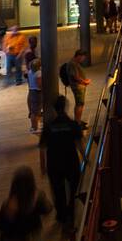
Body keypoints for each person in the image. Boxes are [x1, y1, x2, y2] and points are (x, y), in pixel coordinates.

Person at [40, 96, 82, 227]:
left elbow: (42, 147)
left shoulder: (49, 127)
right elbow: (79, 144)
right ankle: (72, 211)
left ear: (55, 109)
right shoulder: (73, 125)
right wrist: (86, 158)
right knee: (74, 187)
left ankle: (62, 214)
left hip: (54, 162)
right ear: (65, 107)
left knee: (58, 190)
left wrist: (43, 166)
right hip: (71, 161)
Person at [62, 48, 91, 125]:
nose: (83, 60)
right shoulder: (72, 64)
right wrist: (84, 81)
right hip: (78, 87)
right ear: (79, 56)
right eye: (83, 58)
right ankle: (77, 122)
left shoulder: (74, 63)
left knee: (80, 104)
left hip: (79, 86)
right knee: (79, 104)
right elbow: (75, 76)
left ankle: (78, 120)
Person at [26, 58, 43, 133]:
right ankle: (34, 128)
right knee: (36, 112)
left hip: (31, 91)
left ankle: (34, 127)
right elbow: (39, 85)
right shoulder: (38, 73)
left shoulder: (29, 72)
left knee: (33, 111)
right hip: (37, 93)